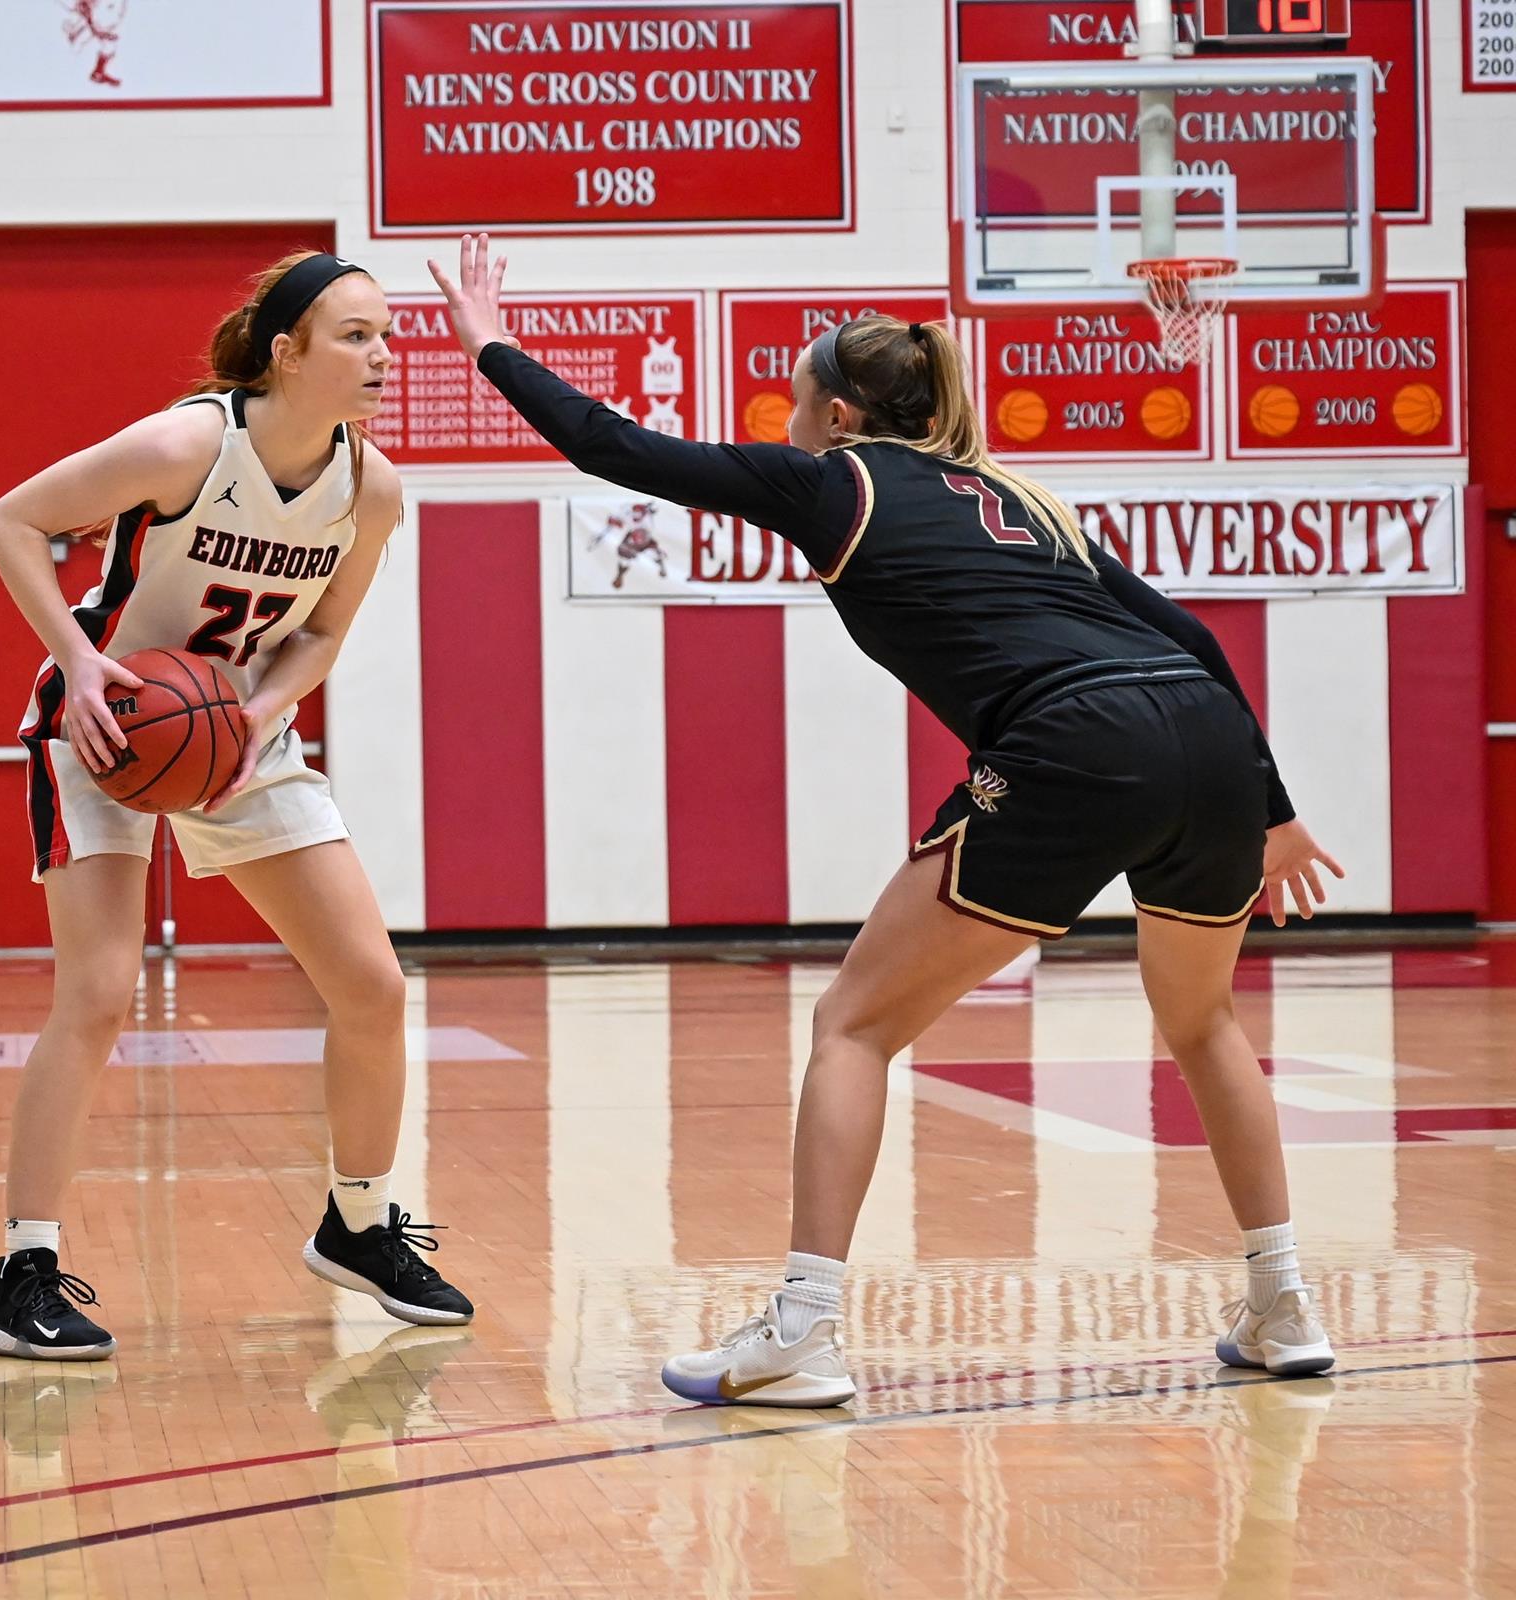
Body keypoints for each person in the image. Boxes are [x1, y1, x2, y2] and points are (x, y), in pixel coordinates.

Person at [430, 236, 1343, 1407]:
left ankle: (804, 1328)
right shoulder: (1021, 496)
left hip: (1071, 743)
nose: (788, 416)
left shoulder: (830, 483)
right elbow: (1195, 638)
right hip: (1206, 738)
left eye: (795, 398)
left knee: (852, 1023)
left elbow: (612, 446)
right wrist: (1274, 810)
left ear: (840, 410)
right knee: (1202, 1018)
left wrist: (487, 344)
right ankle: (1282, 1302)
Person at [0, 250, 473, 1360]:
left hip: (236, 730)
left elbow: (321, 632)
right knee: (99, 993)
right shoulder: (187, 445)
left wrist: (263, 711)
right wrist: (79, 660)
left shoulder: (371, 489)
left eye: (388, 337)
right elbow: (11, 520)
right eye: (356, 336)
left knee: (371, 985)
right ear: (286, 352)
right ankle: (23, 1269)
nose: (383, 356)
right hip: (109, 729)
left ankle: (357, 1224)